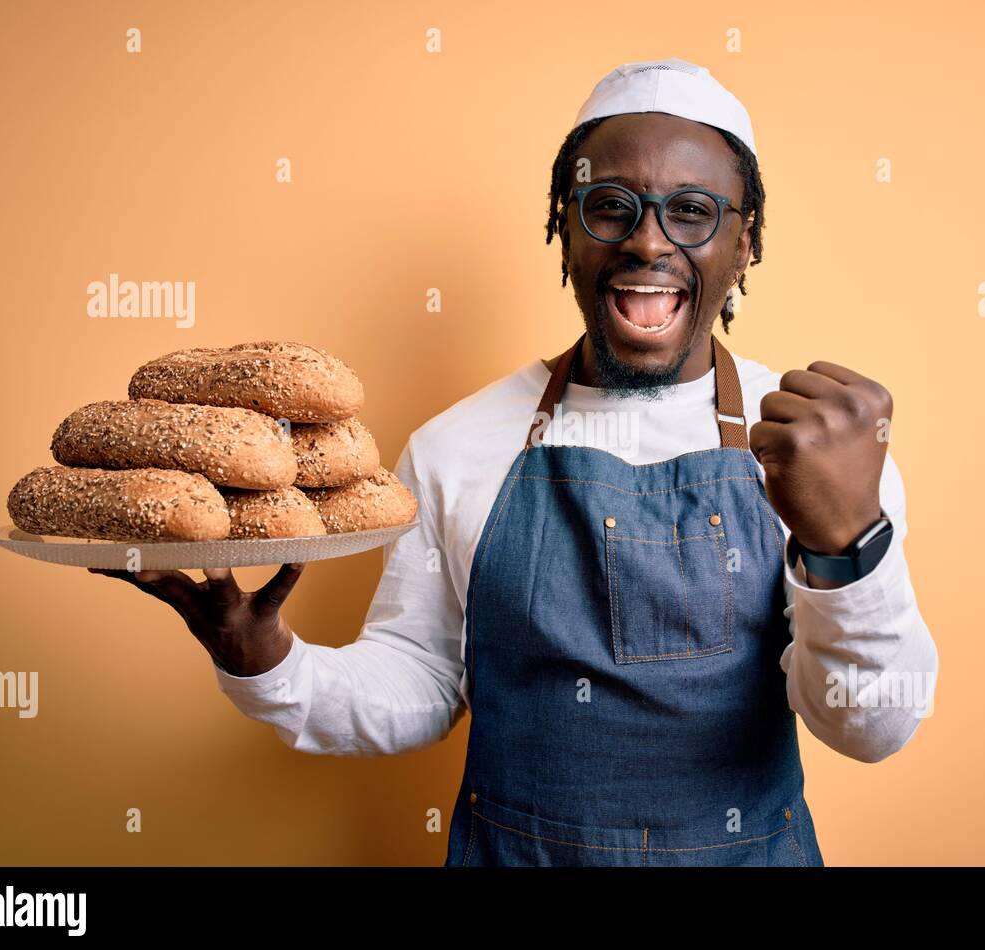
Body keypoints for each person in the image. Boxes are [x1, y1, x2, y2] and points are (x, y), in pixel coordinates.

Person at [92, 57, 939, 867]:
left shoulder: (816, 451)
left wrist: (846, 545)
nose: (649, 242)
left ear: (744, 244)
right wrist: (268, 663)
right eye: (609, 206)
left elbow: (870, 728)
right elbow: (420, 681)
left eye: (692, 210)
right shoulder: (460, 442)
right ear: (562, 228)